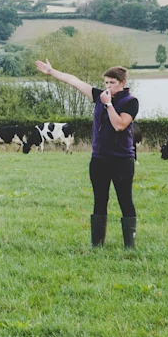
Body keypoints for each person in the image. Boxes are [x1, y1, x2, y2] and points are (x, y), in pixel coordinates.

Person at [34, 61, 138, 248]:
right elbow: (74, 81)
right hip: (99, 159)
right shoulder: (100, 96)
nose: (107, 87)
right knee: (99, 200)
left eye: (112, 83)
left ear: (122, 83)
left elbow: (120, 125)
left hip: (122, 160)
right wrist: (52, 71)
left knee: (125, 201)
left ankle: (129, 246)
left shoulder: (131, 102)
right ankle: (97, 244)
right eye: (106, 82)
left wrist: (108, 105)